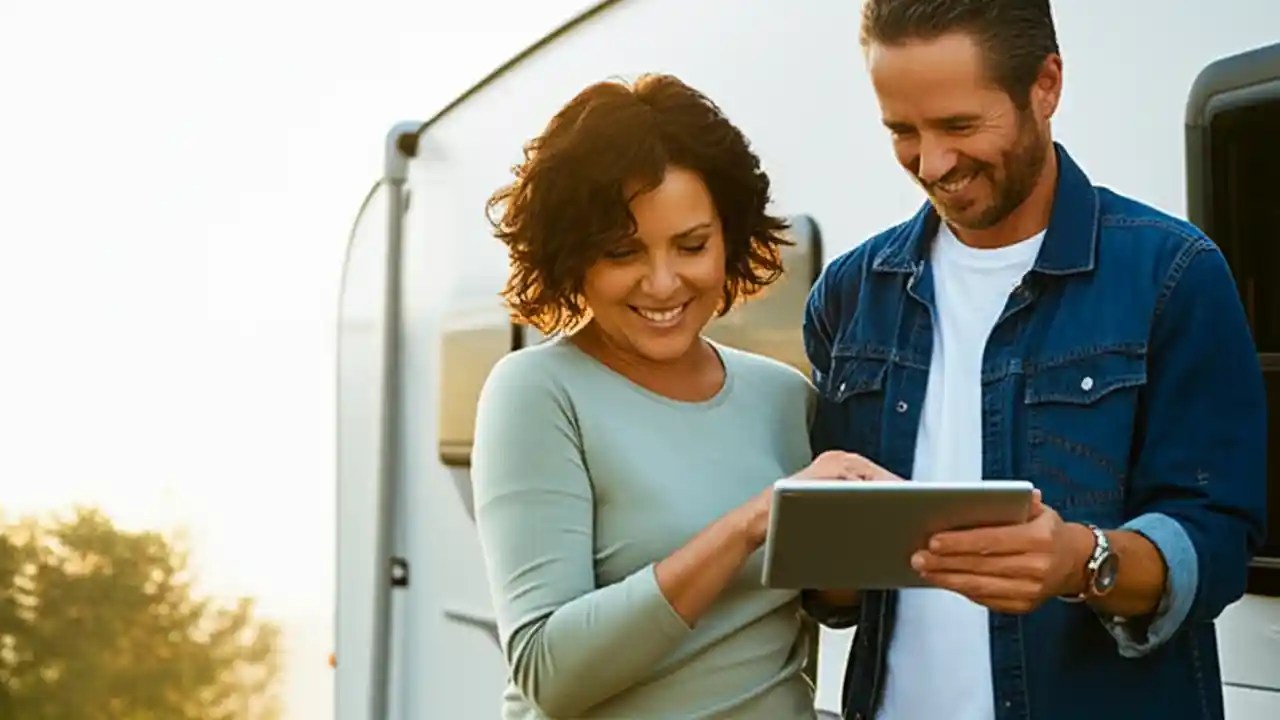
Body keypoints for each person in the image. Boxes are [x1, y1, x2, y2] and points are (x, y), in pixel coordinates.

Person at [801, 1, 1268, 719]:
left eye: (959, 126)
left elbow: (1216, 545)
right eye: (903, 131)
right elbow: (839, 593)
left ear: (1046, 85)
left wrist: (1083, 562)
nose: (931, 163)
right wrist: (815, 548)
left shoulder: (1172, 274)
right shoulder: (850, 294)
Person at [470, 73, 891, 720]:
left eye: (692, 246)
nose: (663, 282)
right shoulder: (537, 393)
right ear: (572, 256)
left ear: (730, 236)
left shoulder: (783, 397)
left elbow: (819, 609)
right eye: (622, 252)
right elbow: (547, 672)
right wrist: (750, 524)